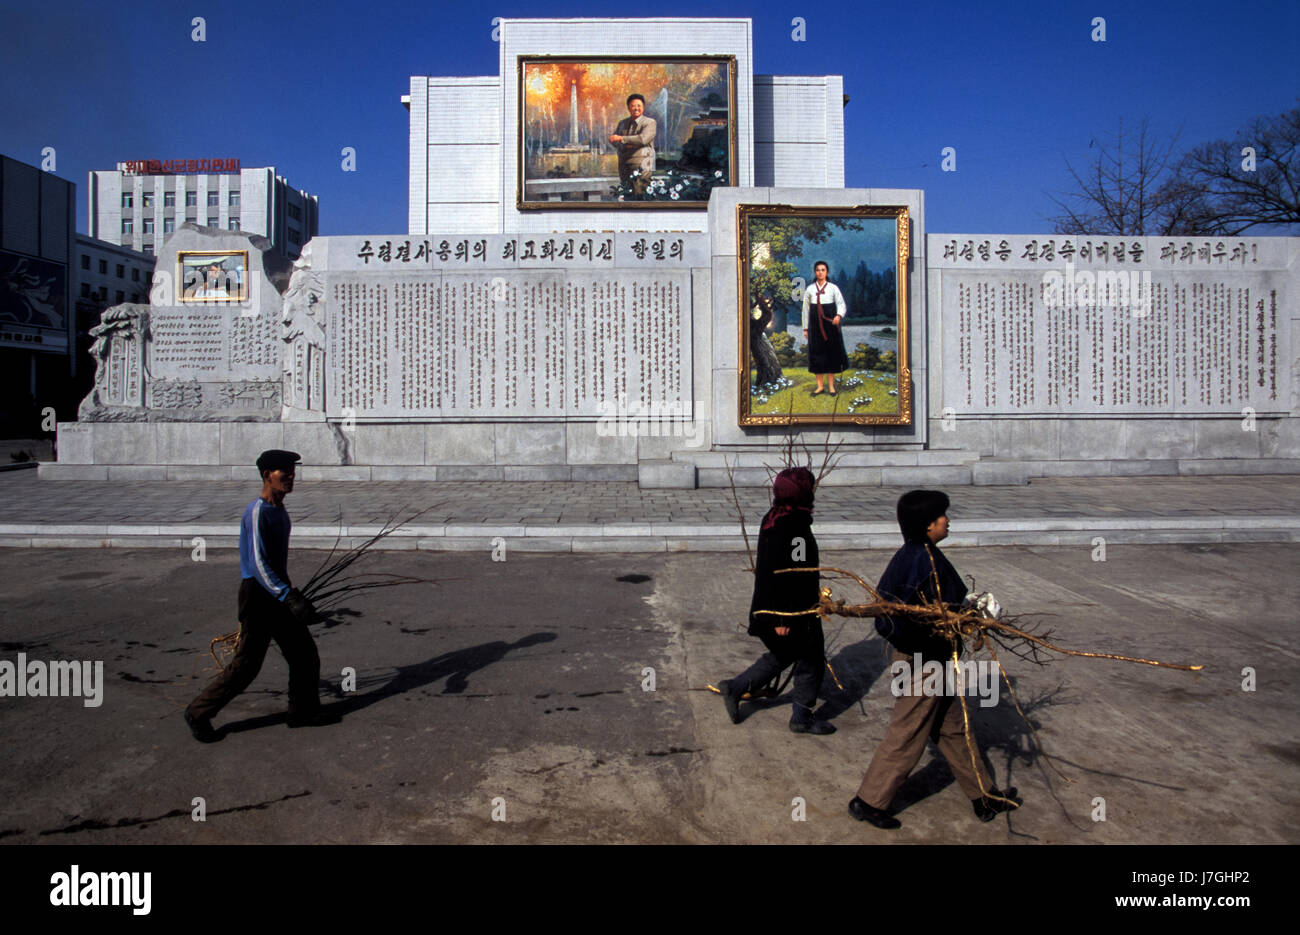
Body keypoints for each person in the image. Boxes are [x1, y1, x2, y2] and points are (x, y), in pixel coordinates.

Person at [848, 490, 1021, 828]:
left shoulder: (917, 554)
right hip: (923, 664)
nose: (948, 520)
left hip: (931, 660)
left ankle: (984, 795)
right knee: (908, 731)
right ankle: (868, 801)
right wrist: (938, 634)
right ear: (928, 525)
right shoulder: (921, 562)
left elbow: (945, 604)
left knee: (955, 729)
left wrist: (970, 607)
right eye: (942, 516)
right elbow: (888, 618)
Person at [184, 449, 337, 742]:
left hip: (278, 592)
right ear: (267, 475)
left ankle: (302, 712)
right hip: (258, 595)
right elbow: (257, 563)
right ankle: (198, 712)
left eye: (293, 472)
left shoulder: (280, 510)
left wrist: (290, 595)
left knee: (304, 655)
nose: (291, 478)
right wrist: (288, 595)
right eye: (285, 473)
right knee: (246, 667)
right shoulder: (257, 512)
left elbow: (275, 564)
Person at [717, 467, 836, 735]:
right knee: (811, 660)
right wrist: (783, 618)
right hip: (791, 611)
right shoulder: (794, 526)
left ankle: (736, 687)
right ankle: (801, 717)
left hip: (777, 608)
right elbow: (791, 574)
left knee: (786, 655)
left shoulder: (774, 517)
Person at [801, 261, 849, 396]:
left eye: (823, 270)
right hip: (815, 327)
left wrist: (838, 316)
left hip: (830, 325)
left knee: (831, 354)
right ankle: (820, 386)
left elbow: (841, 304)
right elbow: (805, 310)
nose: (820, 272)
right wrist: (806, 328)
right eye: (817, 270)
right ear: (815, 272)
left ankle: (832, 387)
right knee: (817, 355)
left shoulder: (833, 288)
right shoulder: (810, 289)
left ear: (827, 272)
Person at [609, 93, 657, 195]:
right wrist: (621, 142)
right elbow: (614, 141)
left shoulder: (650, 122)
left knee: (640, 194)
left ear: (643, 107)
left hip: (642, 164)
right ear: (628, 107)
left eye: (639, 106)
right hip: (624, 165)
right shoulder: (622, 123)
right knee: (626, 194)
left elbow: (643, 139)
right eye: (633, 106)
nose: (636, 108)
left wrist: (622, 138)